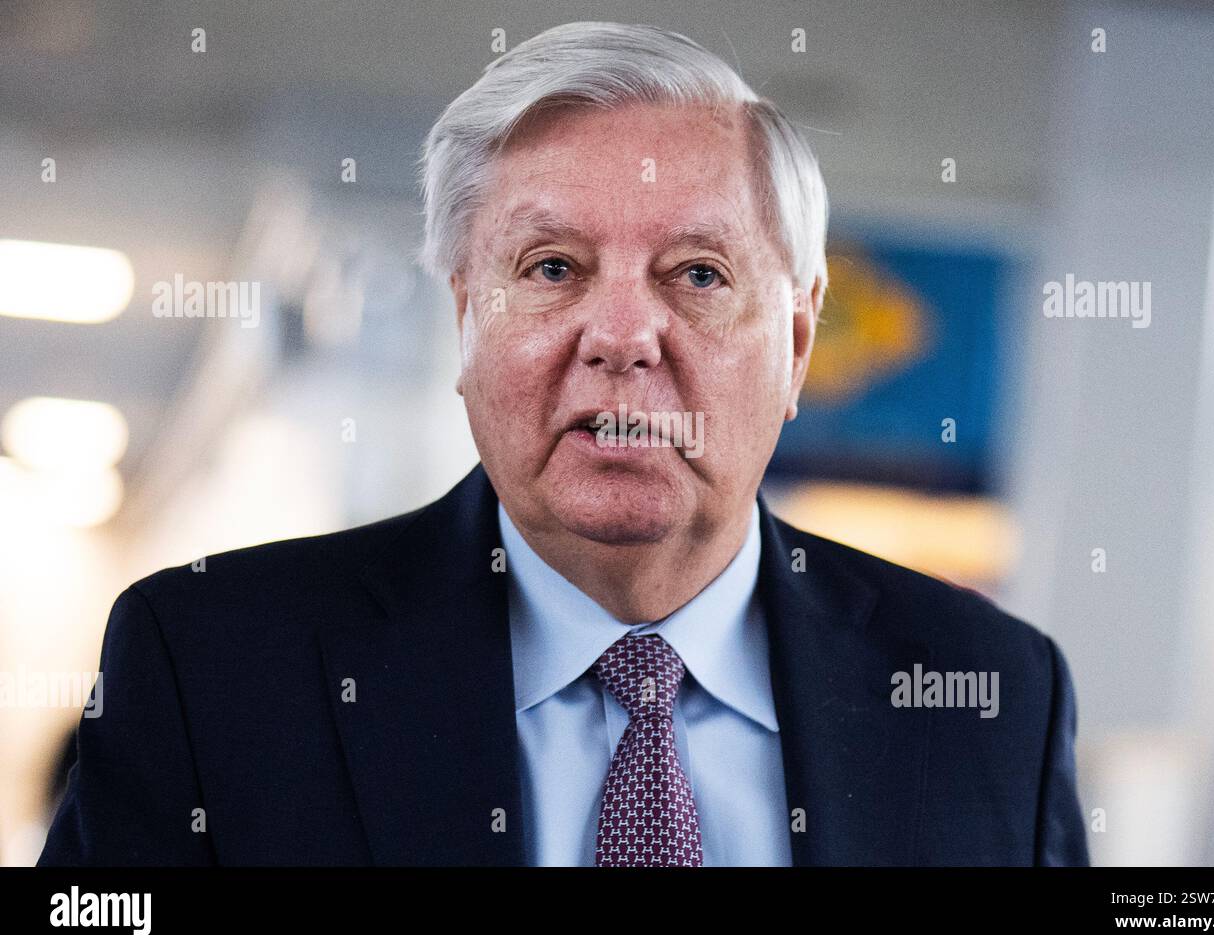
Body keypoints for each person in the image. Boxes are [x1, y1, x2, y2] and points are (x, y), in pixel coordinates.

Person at [39, 21, 1088, 866]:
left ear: (800, 341)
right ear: (464, 317)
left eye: (699, 274)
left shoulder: (991, 693)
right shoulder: (214, 668)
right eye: (550, 267)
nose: (624, 336)